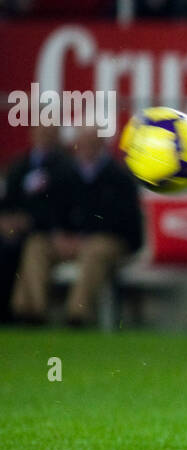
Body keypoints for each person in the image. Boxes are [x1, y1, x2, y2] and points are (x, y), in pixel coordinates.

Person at [11, 126, 142, 326]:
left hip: (106, 242)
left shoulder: (119, 176)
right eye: (83, 143)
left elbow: (125, 222)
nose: (86, 148)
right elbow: (52, 209)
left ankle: (77, 315)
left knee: (95, 250)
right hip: (69, 241)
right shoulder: (64, 173)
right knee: (36, 245)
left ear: (102, 145)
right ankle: (31, 312)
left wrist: (85, 237)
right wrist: (58, 234)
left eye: (92, 143)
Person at [0, 126, 75, 322]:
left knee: (33, 248)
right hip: (14, 232)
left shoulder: (65, 167)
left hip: (43, 233)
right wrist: (7, 220)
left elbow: (61, 207)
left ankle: (30, 312)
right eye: (42, 132)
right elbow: (8, 201)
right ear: (32, 134)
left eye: (50, 133)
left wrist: (29, 221)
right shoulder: (20, 165)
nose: (45, 137)